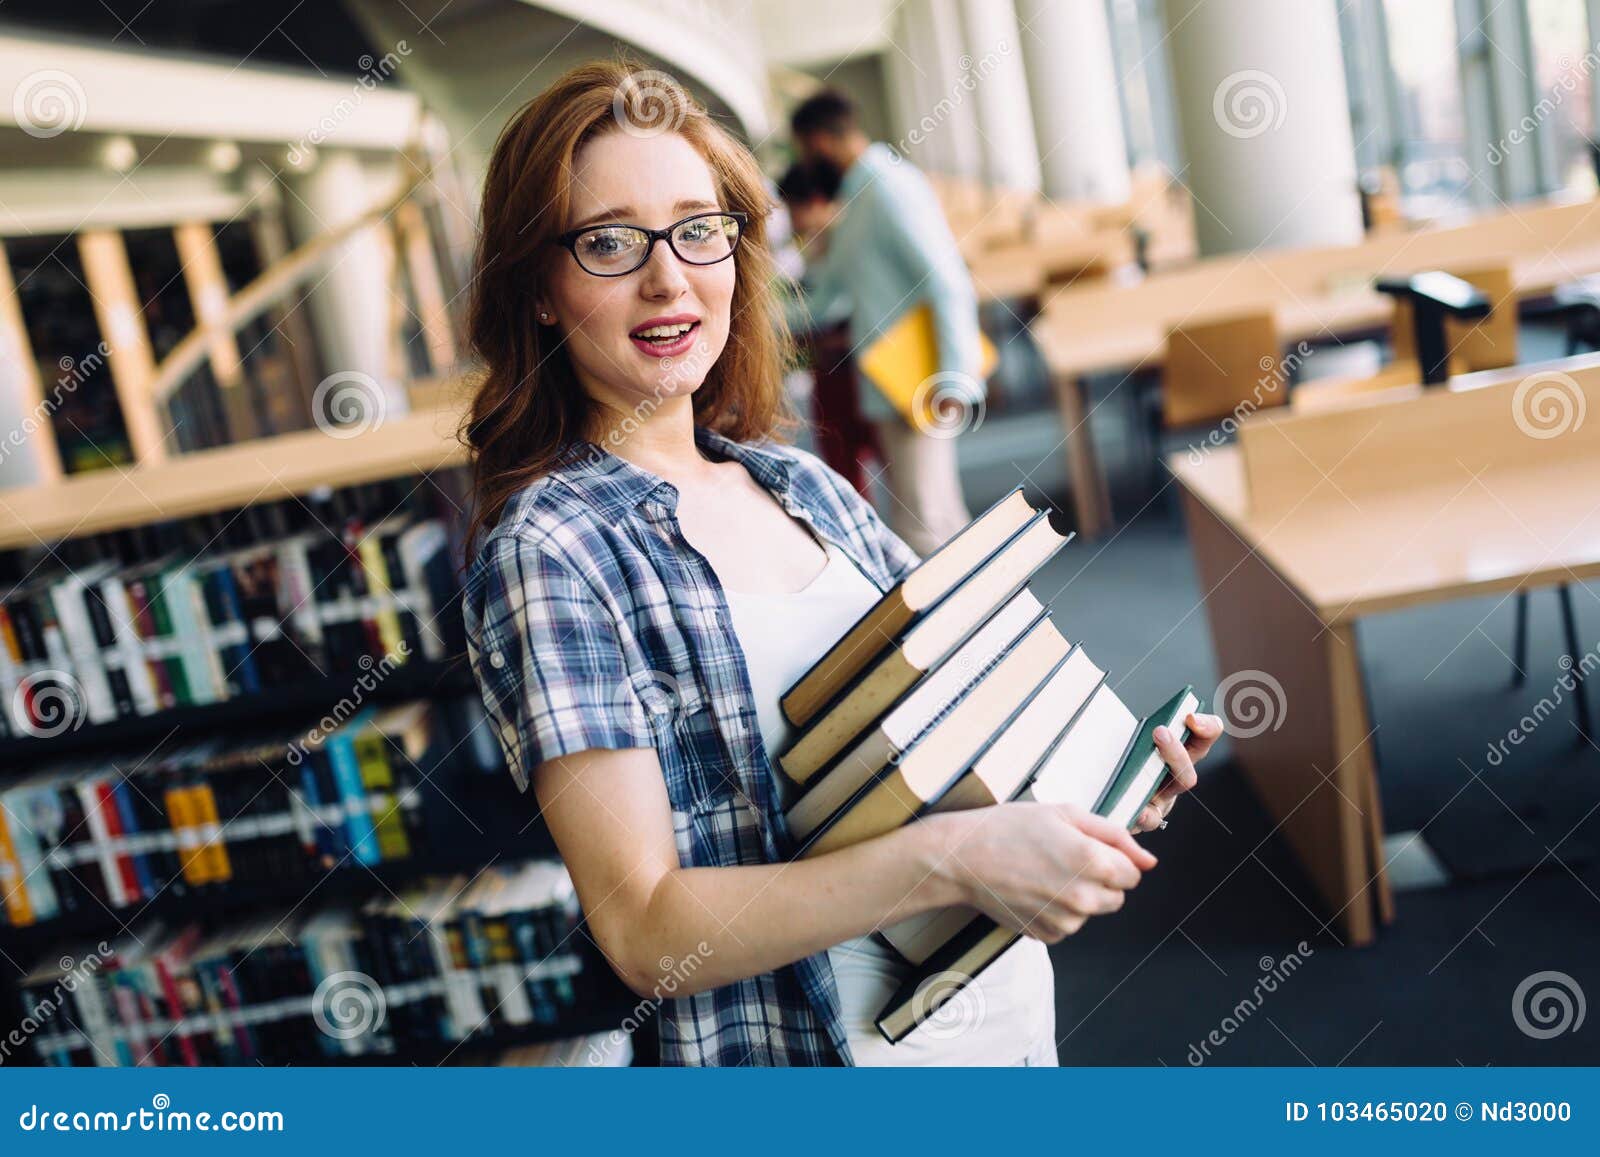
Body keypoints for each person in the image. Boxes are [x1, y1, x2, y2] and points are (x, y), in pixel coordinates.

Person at [460, 59, 1223, 1067]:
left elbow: (956, 731)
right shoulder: (554, 551)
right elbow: (646, 930)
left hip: (1003, 1033)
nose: (669, 277)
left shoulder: (799, 483)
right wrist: (954, 857)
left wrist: (1092, 797)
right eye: (608, 242)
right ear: (541, 291)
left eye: (699, 227)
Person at [788, 87, 982, 557]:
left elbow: (948, 282)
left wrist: (959, 379)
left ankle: (970, 626)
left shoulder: (889, 187)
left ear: (820, 142)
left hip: (921, 379)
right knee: (929, 514)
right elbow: (830, 295)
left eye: (803, 152)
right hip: (889, 384)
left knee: (927, 524)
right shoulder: (858, 197)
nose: (805, 164)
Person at [777, 159, 881, 497]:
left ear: (818, 203)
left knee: (856, 465)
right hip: (839, 371)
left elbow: (826, 306)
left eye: (794, 209)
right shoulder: (820, 243)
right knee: (847, 468)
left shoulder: (843, 243)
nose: (793, 222)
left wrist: (772, 319)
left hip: (856, 371)